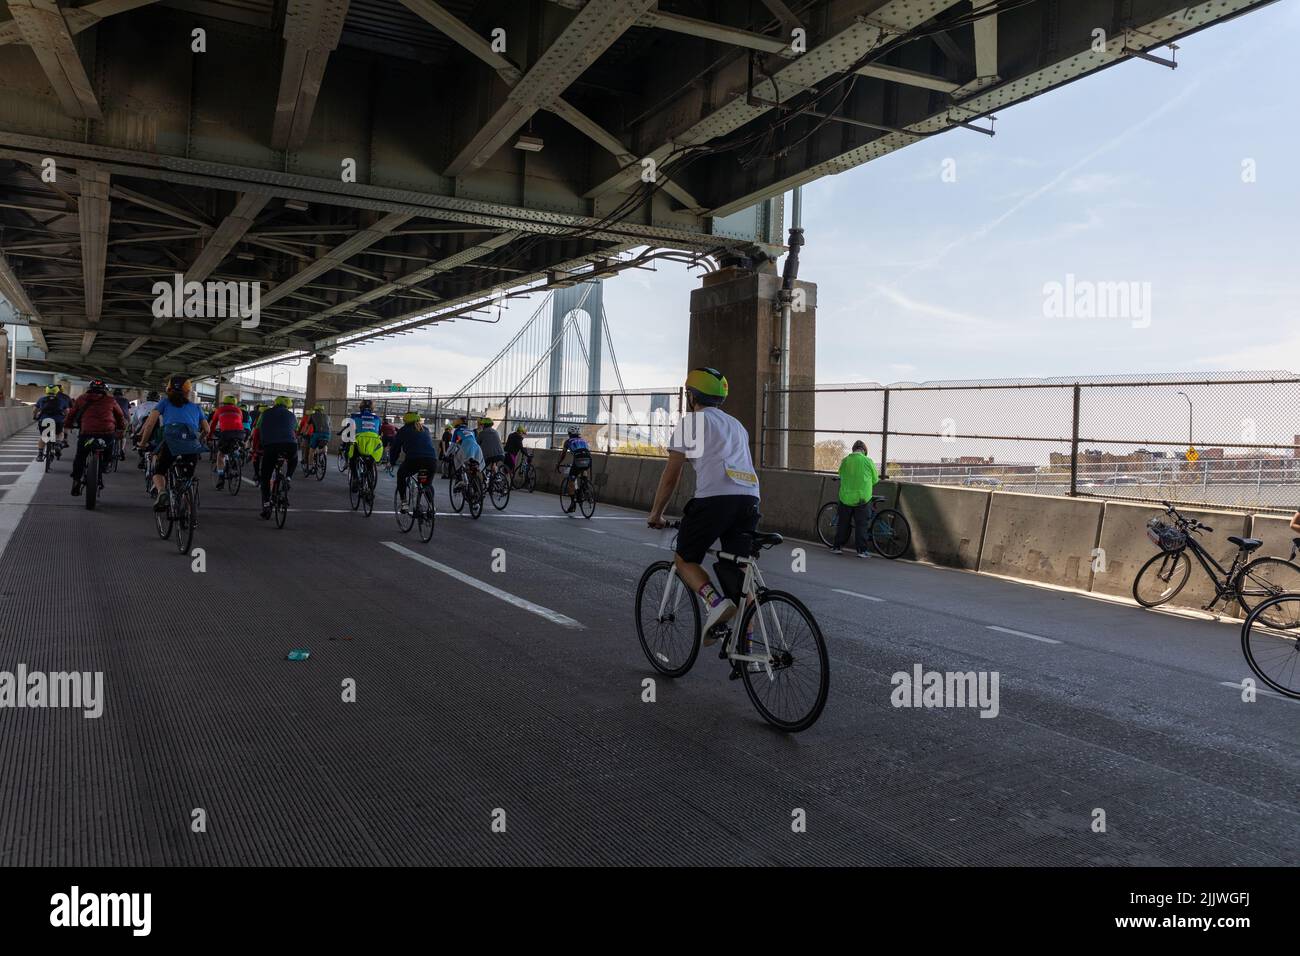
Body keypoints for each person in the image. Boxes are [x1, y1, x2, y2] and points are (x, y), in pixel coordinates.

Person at [647, 367, 760, 638]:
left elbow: (672, 475)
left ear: (691, 395)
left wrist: (656, 514)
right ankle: (746, 641)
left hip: (715, 499)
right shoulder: (736, 425)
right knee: (739, 570)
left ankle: (716, 603)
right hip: (750, 498)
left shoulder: (693, 423)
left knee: (685, 558)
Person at [136, 375, 208, 510]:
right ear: (188, 392)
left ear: (168, 389)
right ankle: (187, 510)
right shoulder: (196, 407)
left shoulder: (164, 403)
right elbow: (207, 429)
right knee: (187, 480)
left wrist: (143, 443)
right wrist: (199, 440)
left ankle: (162, 492)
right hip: (191, 445)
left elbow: (150, 424)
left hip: (171, 443)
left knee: (159, 472)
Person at [66, 379, 128, 496]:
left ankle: (76, 481)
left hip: (86, 432)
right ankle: (105, 465)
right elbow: (120, 416)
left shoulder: (81, 398)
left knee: (80, 456)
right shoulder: (111, 400)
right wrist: (120, 428)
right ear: (105, 390)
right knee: (109, 447)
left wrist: (68, 425)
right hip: (106, 433)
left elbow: (71, 414)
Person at [830, 440, 880, 556]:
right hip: (862, 498)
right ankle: (861, 551)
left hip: (845, 497)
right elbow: (875, 479)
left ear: (853, 450)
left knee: (843, 523)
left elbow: (841, 475)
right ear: (864, 451)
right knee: (861, 525)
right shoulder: (868, 461)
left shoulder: (845, 460)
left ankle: (837, 547)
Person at [254, 396, 299, 519]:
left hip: (271, 446)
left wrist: (255, 450)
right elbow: (296, 431)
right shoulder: (292, 415)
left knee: (265, 477)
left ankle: (267, 505)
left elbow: (257, 432)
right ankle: (288, 478)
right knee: (293, 459)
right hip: (290, 445)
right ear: (288, 405)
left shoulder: (265, 413)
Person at [390, 412, 440, 513]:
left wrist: (392, 462)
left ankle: (404, 503)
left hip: (414, 459)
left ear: (405, 420)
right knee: (427, 484)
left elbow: (395, 448)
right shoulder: (425, 429)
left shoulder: (403, 430)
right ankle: (431, 506)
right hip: (432, 460)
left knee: (401, 475)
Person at [210, 396, 247, 490]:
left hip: (226, 434)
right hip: (240, 433)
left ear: (224, 403)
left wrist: (209, 436)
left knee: (221, 455)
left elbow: (213, 424)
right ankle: (236, 456)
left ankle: (221, 478)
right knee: (235, 446)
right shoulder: (239, 410)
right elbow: (239, 422)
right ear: (234, 403)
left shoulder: (220, 410)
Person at [555, 425, 592, 514]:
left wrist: (558, 463)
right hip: (588, 459)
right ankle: (586, 486)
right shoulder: (584, 440)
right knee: (583, 469)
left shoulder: (568, 441)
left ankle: (572, 504)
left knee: (571, 481)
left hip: (578, 460)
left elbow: (563, 455)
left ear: (569, 434)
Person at [348, 399, 383, 492]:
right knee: (370, 462)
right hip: (374, 442)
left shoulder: (354, 416)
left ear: (361, 408)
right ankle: (370, 488)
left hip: (360, 440)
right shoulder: (377, 418)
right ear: (372, 409)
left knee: (352, 459)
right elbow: (379, 432)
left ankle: (355, 478)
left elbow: (349, 430)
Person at [32, 385, 66, 462]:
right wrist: (65, 417)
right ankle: (58, 443)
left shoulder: (41, 399)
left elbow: (35, 410)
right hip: (57, 421)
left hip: (44, 420)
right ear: (57, 391)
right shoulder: (61, 400)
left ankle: (40, 455)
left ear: (46, 391)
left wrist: (35, 417)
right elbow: (66, 411)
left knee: (43, 437)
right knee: (60, 433)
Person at [129, 390, 161, 470]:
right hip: (158, 432)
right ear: (158, 399)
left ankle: (141, 454)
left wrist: (134, 433)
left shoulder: (140, 406)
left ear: (147, 398)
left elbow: (134, 423)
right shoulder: (161, 406)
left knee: (138, 441)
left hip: (142, 431)